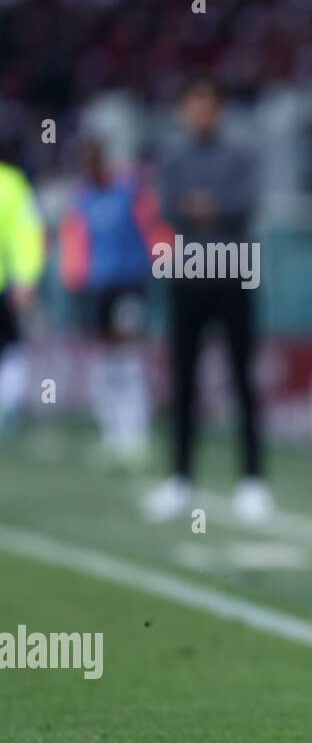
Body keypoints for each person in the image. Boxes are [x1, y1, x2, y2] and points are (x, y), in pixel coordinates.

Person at [141, 78, 270, 524]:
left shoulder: (240, 154)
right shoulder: (172, 157)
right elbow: (167, 208)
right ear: (183, 112)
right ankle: (180, 479)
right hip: (187, 276)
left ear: (219, 110)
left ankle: (252, 481)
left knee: (243, 380)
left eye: (208, 106)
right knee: (182, 382)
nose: (201, 115)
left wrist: (204, 206)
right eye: (193, 107)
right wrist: (209, 208)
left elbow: (245, 203)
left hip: (235, 275)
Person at [59, 138, 157, 465]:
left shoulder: (128, 189)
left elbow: (150, 216)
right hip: (99, 286)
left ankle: (136, 432)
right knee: (106, 361)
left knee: (128, 357)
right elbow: (76, 239)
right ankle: (113, 431)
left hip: (129, 283)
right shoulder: (83, 198)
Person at [0, 156, 44, 436]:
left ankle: (7, 411)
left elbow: (26, 232)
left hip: (2, 286)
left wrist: (25, 278)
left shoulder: (10, 183)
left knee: (10, 348)